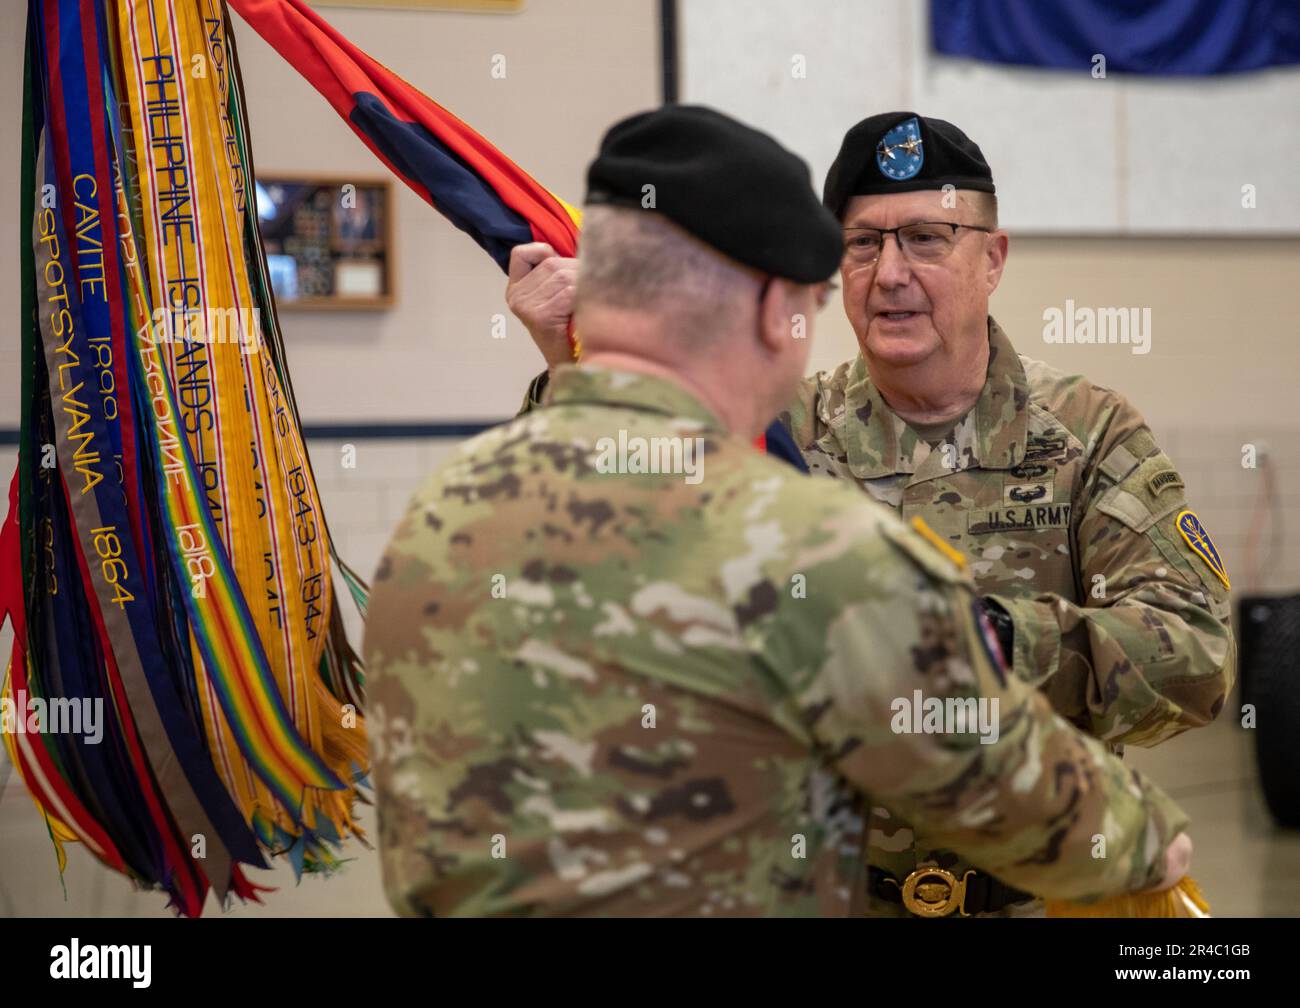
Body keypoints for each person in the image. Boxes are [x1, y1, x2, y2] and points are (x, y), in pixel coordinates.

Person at [364, 105, 1192, 917]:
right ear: (775, 310)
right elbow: (1024, 794)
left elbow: (1194, 652)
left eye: (927, 239)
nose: (890, 273)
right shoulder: (794, 482)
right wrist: (1145, 838)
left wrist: (1007, 637)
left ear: (993, 258)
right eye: (861, 247)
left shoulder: (442, 508)